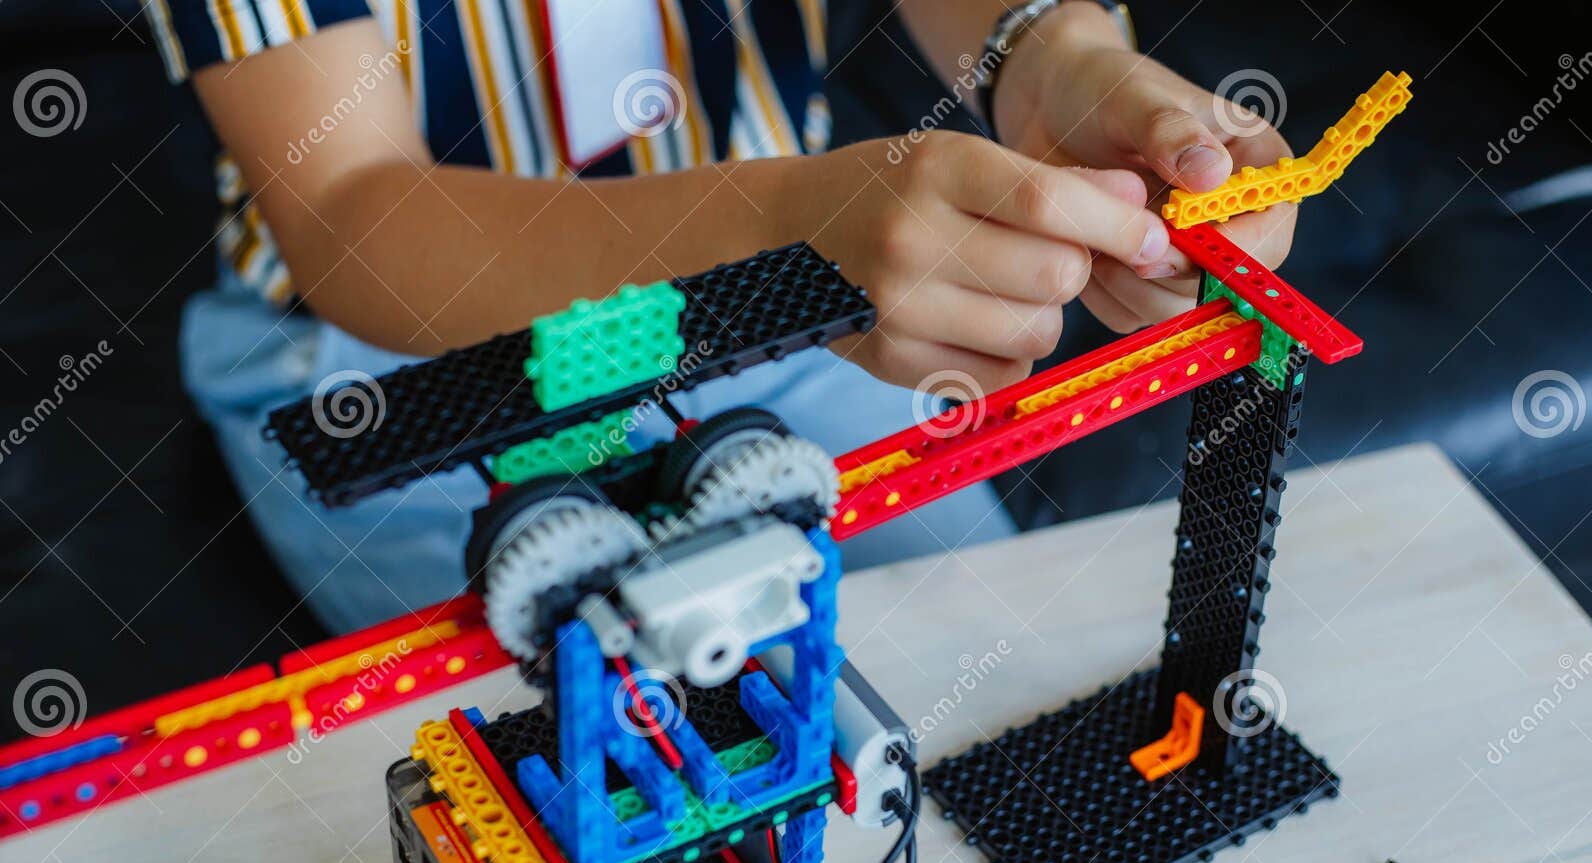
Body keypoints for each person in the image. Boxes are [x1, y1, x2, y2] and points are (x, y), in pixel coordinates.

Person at [143, 0, 1295, 633]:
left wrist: (1050, 50)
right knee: (554, 776)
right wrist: (787, 233)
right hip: (406, 362)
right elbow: (353, 213)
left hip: (789, 322)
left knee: (968, 676)